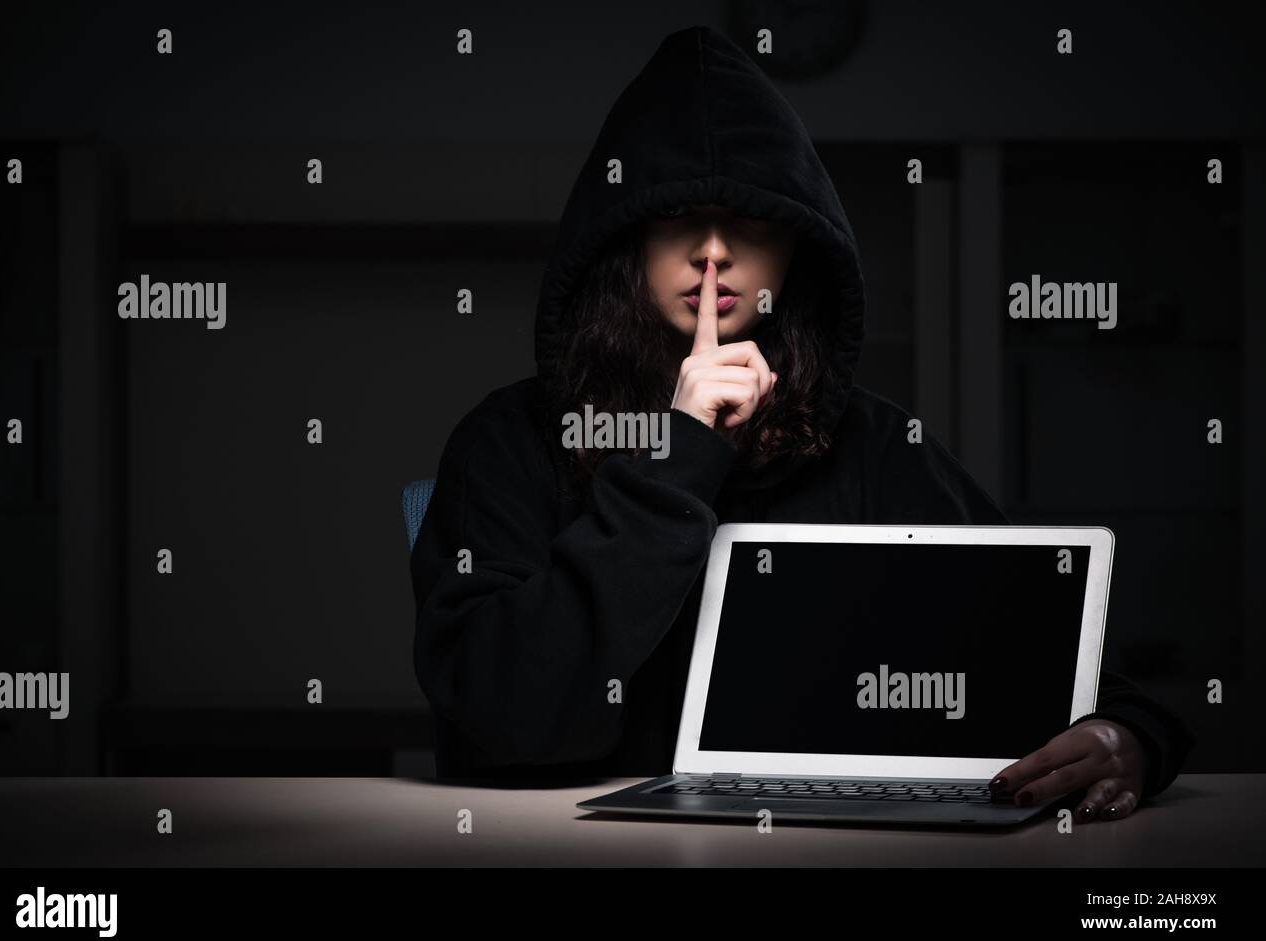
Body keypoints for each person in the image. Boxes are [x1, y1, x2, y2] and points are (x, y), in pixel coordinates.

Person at [410, 26, 1196, 824]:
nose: (713, 252)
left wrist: (1131, 732)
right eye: (679, 217)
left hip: (834, 840)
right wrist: (678, 455)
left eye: (749, 221)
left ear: (793, 254)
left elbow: (1053, 649)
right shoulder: (510, 437)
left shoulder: (873, 442)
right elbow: (499, 718)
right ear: (627, 240)